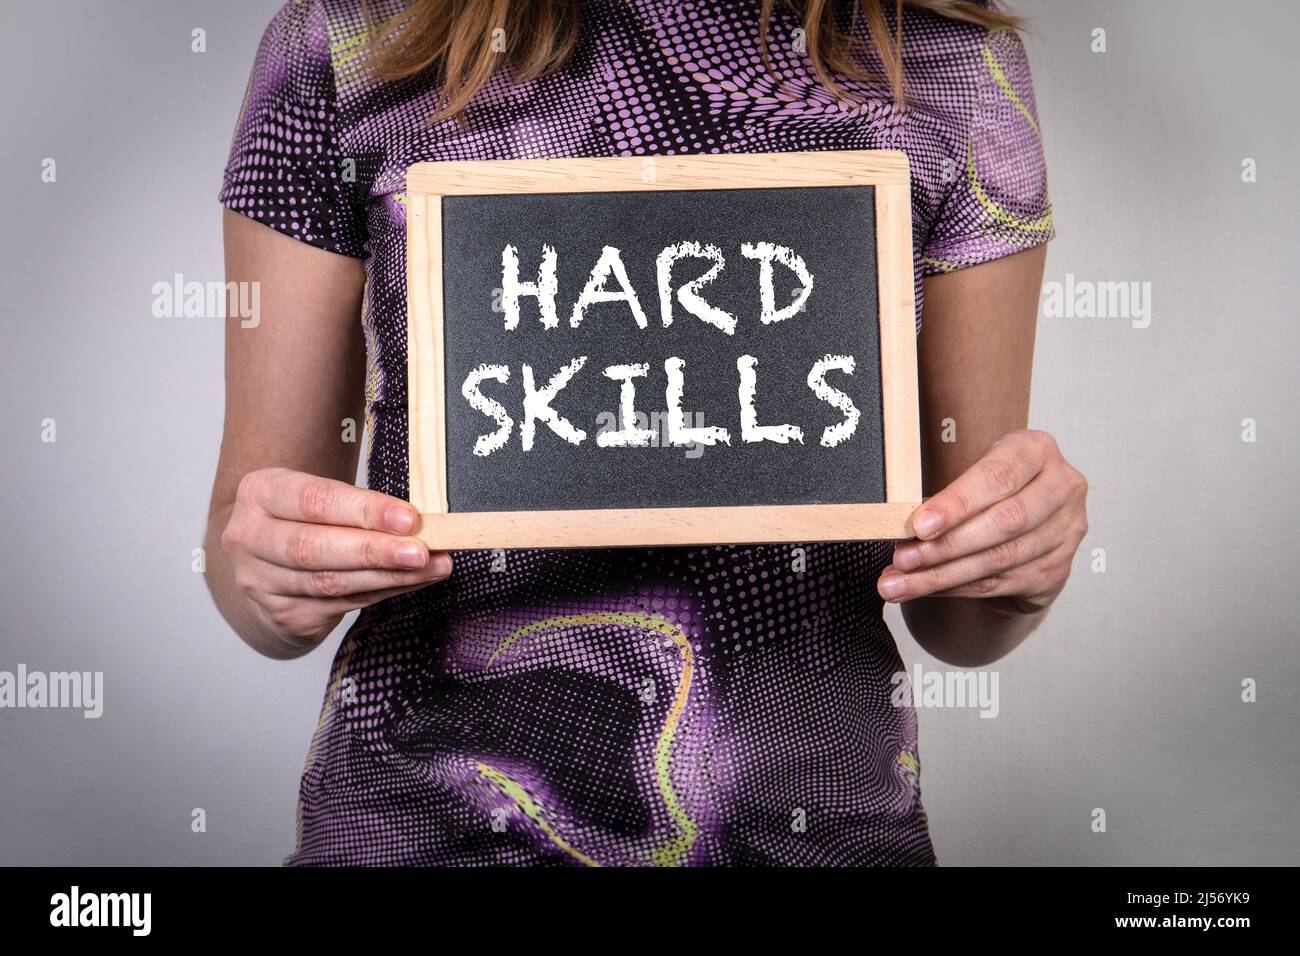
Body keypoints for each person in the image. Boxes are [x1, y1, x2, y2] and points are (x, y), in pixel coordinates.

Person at [206, 0, 1088, 866]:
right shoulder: (354, 37)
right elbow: (249, 552)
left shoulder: (947, 64)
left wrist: (1016, 566)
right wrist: (274, 572)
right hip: (423, 824)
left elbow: (957, 604)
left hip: (812, 825)